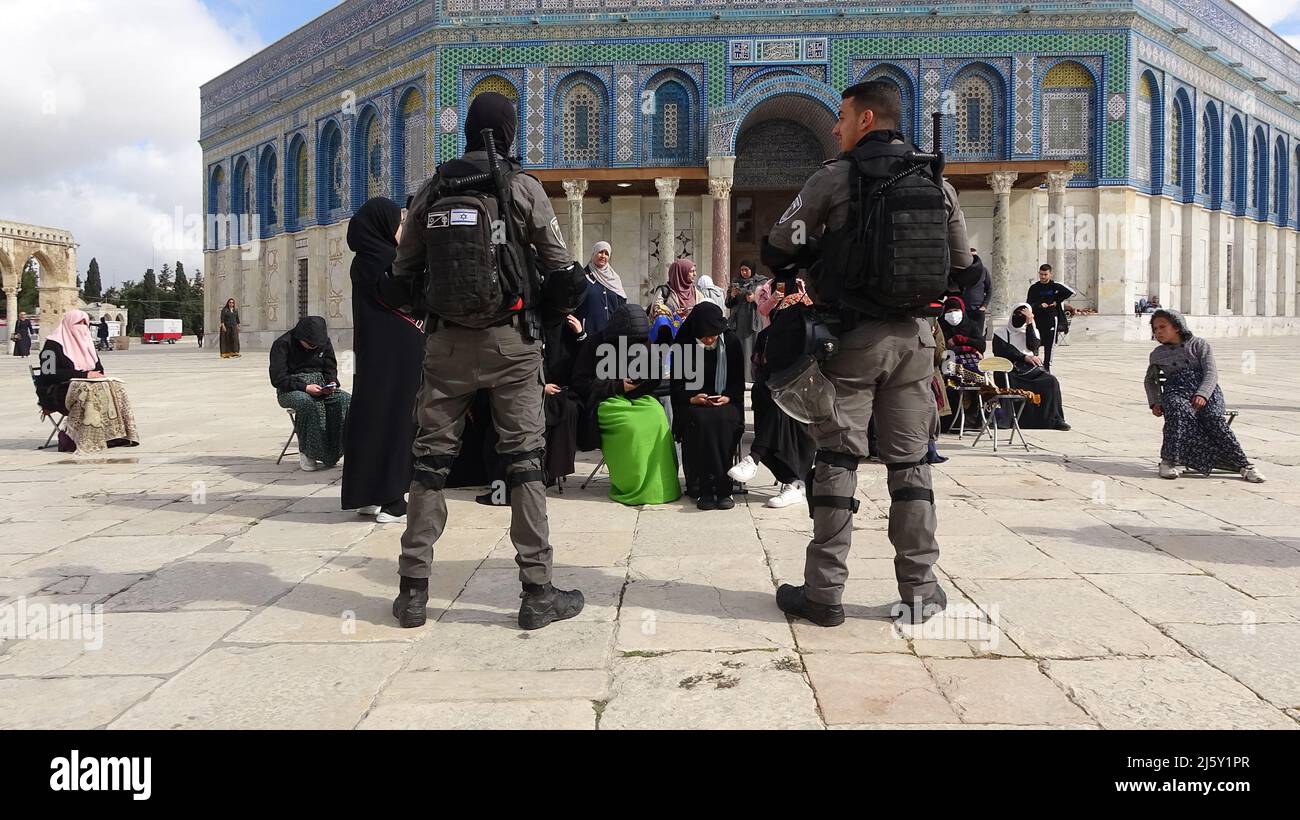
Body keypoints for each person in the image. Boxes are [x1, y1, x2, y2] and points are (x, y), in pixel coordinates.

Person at [764, 79, 982, 627]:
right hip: (915, 344)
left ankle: (825, 594)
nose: (835, 127)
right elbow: (966, 265)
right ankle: (921, 591)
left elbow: (775, 247)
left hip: (853, 342)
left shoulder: (833, 179)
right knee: (911, 467)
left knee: (838, 461)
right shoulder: (939, 185)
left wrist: (819, 255)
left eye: (841, 117)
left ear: (865, 120)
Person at [391, 91, 589, 630]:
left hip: (446, 345)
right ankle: (537, 592)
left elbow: (401, 273)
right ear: (508, 132)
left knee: (430, 463)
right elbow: (562, 270)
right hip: (511, 345)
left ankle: (413, 592)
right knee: (524, 461)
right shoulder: (522, 188)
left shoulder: (431, 189)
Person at [341, 197, 423, 524]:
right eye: (400, 224)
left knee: (371, 418)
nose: (402, 229)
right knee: (398, 421)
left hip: (375, 355)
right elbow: (403, 297)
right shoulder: (387, 258)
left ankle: (368, 496)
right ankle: (392, 499)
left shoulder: (363, 259)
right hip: (398, 355)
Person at [572, 304, 680, 506]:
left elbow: (654, 376)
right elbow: (581, 383)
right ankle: (634, 485)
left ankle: (662, 485)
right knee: (632, 428)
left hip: (640, 397)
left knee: (658, 418)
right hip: (607, 400)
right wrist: (618, 385)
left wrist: (638, 384)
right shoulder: (596, 343)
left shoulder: (641, 340)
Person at [729, 273, 816, 508]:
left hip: (804, 398)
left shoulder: (809, 332)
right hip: (774, 394)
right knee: (770, 404)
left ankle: (759, 460)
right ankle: (790, 481)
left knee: (781, 409)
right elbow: (763, 368)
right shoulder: (769, 335)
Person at [1145, 309, 1263, 482]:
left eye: (1162, 327)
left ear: (1177, 327)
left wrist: (1203, 394)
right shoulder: (1157, 354)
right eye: (1155, 329)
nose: (1158, 332)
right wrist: (1155, 401)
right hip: (1176, 390)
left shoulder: (1199, 345)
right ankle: (1169, 460)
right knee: (1177, 410)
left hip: (1205, 391)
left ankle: (1243, 465)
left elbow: (1211, 373)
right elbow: (1150, 380)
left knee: (1213, 417)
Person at [671, 301, 745, 510]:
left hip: (726, 402)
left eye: (713, 335)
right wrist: (693, 398)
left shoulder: (731, 343)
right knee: (702, 421)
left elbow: (738, 383)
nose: (709, 339)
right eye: (704, 337)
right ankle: (707, 486)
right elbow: (676, 387)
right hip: (693, 404)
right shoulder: (684, 345)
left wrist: (728, 397)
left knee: (722, 420)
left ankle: (722, 487)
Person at [270, 316, 351, 472]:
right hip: (292, 389)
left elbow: (330, 367)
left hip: (321, 386)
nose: (314, 348)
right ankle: (307, 452)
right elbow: (278, 378)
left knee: (345, 400)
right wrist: (305, 387)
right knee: (305, 402)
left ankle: (335, 450)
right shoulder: (282, 344)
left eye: (316, 346)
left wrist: (332, 383)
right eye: (310, 344)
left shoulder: (323, 342)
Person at [991, 303, 1070, 431]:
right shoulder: (1000, 332)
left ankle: (1055, 419)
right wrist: (1023, 357)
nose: (1020, 318)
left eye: (1024, 315)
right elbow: (1001, 351)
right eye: (1018, 314)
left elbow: (1033, 346)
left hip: (1029, 369)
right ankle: (1007, 420)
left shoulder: (1032, 330)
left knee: (1051, 381)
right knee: (1006, 378)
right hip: (1009, 368)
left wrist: (1029, 323)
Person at [35, 310, 105, 416]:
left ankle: (115, 430)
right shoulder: (51, 345)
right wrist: (84, 375)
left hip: (84, 388)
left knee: (115, 392)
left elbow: (98, 369)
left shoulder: (87, 346)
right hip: (56, 391)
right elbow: (48, 373)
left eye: (85, 324)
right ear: (68, 324)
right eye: (78, 323)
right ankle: (84, 431)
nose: (82, 327)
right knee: (90, 397)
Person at [1025, 264, 1074, 371]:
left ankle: (1047, 367)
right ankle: (1035, 365)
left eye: (1045, 274)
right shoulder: (1034, 288)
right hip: (1037, 319)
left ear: (1050, 274)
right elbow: (1029, 303)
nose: (1043, 277)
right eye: (1041, 274)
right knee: (1035, 342)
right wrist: (1039, 305)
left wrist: (1057, 300)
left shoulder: (1055, 286)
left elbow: (1070, 292)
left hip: (1051, 318)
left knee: (1050, 344)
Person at [726, 260, 767, 382]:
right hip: (739, 323)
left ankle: (755, 377)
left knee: (755, 348)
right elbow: (728, 304)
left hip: (754, 322)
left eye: (746, 270)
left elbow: (767, 301)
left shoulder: (762, 282)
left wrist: (755, 298)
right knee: (740, 349)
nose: (744, 272)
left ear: (752, 269)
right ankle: (741, 376)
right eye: (742, 269)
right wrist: (732, 295)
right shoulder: (735, 282)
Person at [575, 240, 626, 338]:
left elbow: (621, 305)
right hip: (589, 334)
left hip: (611, 334)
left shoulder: (614, 279)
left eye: (606, 253)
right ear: (594, 253)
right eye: (600, 252)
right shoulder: (583, 277)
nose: (603, 256)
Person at [961, 247, 991, 332]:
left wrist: (984, 306)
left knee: (978, 334)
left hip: (978, 309)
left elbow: (989, 289)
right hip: (965, 309)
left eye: (975, 256)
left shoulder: (984, 271)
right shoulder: (963, 271)